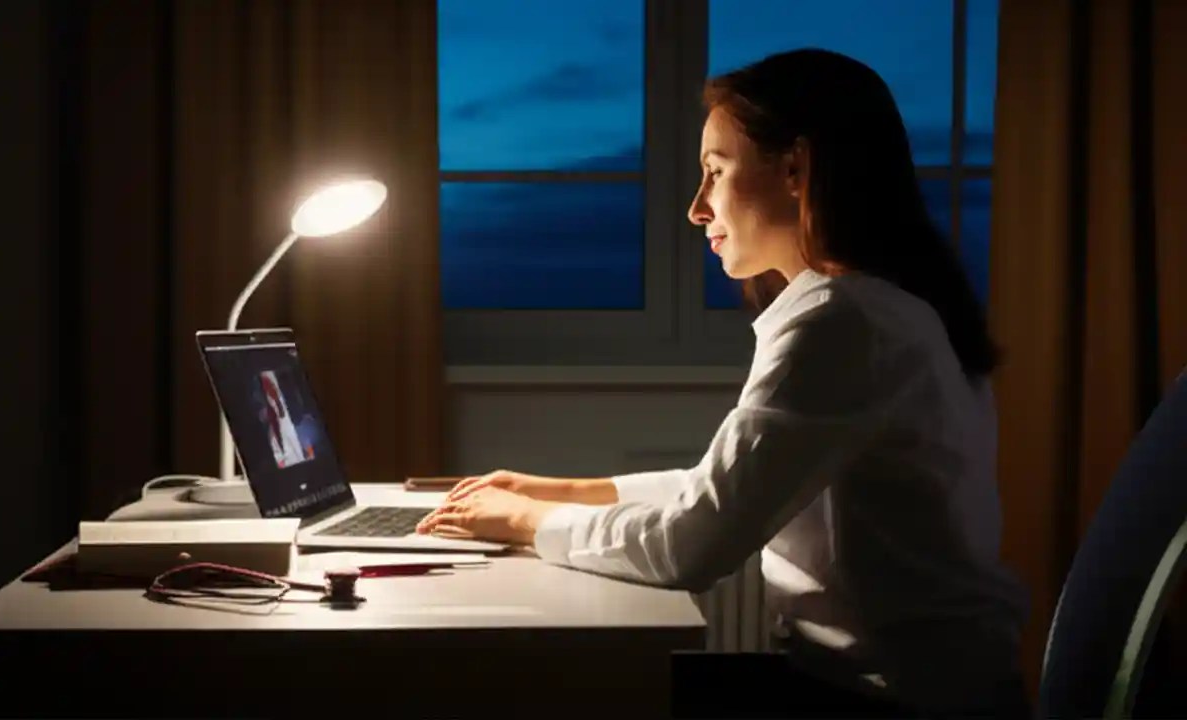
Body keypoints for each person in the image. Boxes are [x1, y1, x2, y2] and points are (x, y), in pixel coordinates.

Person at [417, 48, 1030, 718]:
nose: (696, 208)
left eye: (714, 172)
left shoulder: (842, 322)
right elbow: (729, 486)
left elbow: (691, 547)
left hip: (892, 700)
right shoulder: (880, 307)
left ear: (795, 169)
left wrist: (527, 522)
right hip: (907, 683)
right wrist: (557, 491)